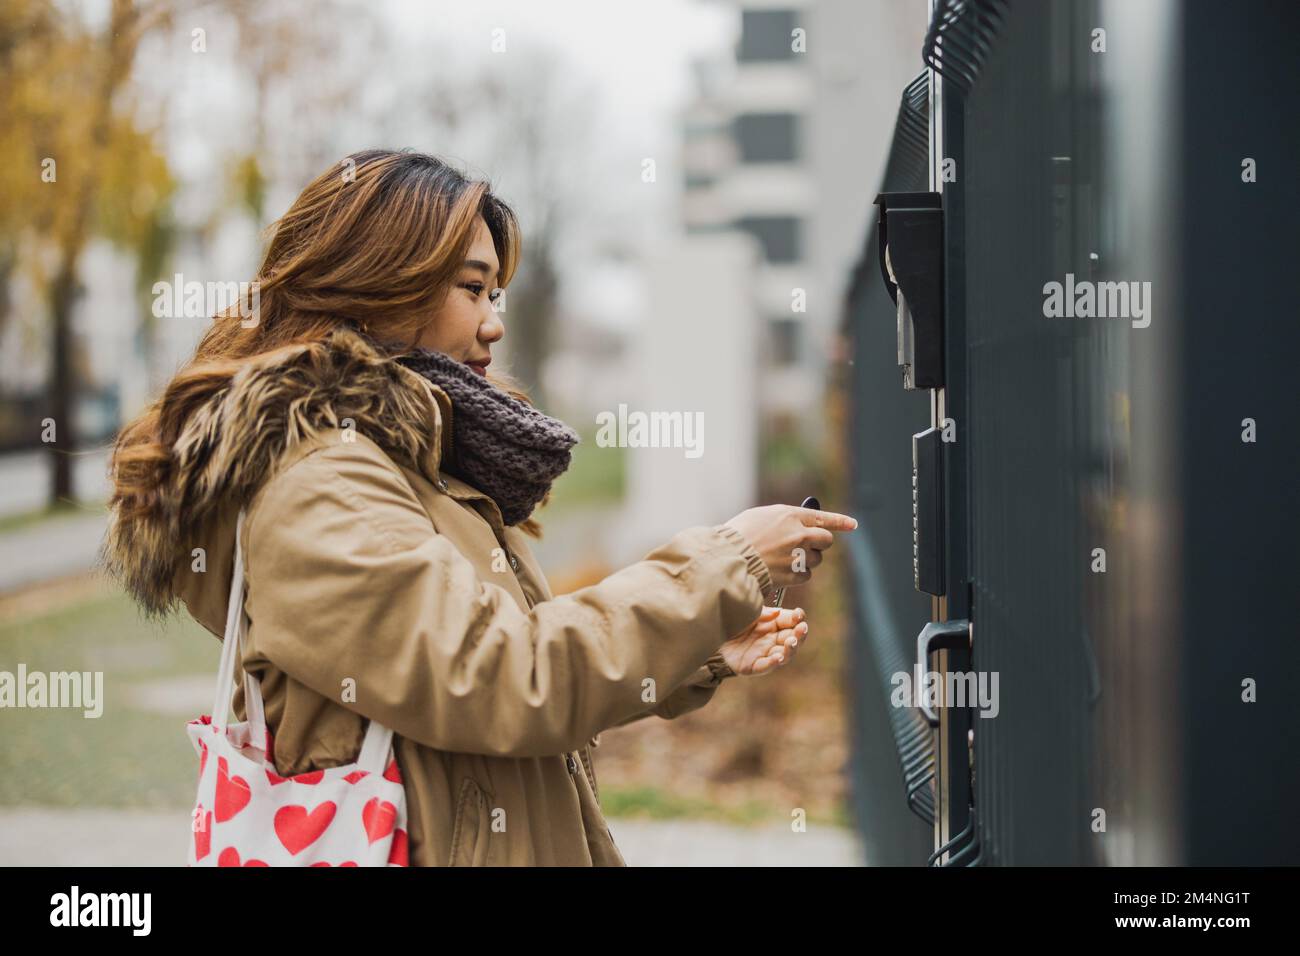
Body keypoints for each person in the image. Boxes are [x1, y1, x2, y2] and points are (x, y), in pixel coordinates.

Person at [102, 148, 858, 866]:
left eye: (495, 293)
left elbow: (496, 679)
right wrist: (723, 562)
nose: (493, 322)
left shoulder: (405, 461)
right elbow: (503, 677)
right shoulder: (319, 476)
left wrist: (695, 652)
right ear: (378, 281)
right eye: (471, 289)